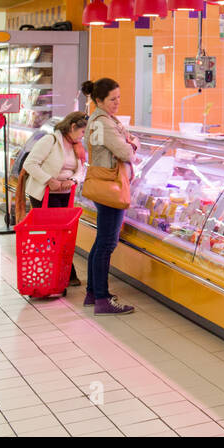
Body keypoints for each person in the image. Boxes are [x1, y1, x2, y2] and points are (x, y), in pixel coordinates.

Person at [82, 78, 138, 315]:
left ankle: (93, 293)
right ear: (99, 100)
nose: (117, 103)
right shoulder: (104, 123)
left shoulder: (96, 119)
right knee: (107, 243)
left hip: (102, 182)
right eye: (112, 99)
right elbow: (125, 152)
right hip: (111, 185)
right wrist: (134, 144)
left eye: (118, 98)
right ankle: (102, 300)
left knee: (101, 241)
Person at [21, 111, 88, 287]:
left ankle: (64, 273)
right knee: (50, 236)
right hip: (44, 194)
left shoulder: (76, 147)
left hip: (65, 194)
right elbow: (30, 164)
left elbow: (81, 170)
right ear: (72, 127)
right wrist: (49, 180)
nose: (82, 136)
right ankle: (52, 274)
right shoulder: (49, 141)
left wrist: (72, 180)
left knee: (64, 235)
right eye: (81, 132)